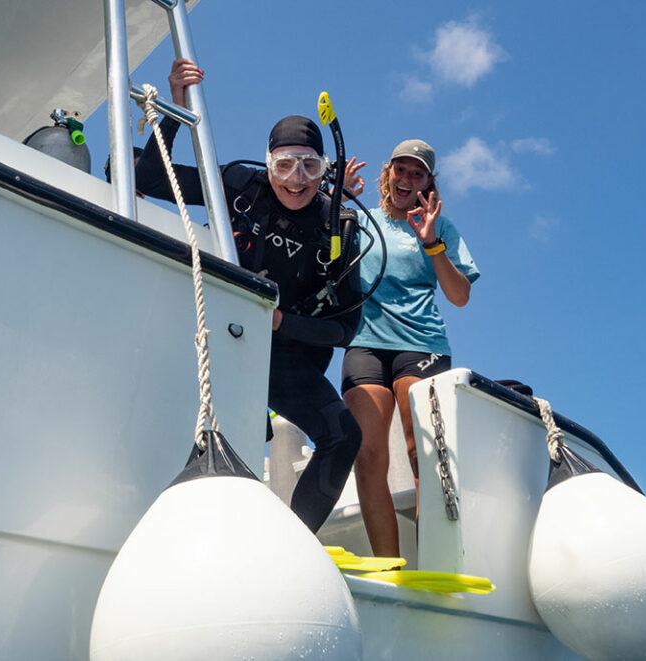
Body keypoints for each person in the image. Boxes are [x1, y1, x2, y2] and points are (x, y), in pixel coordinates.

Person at [135, 59, 362, 533]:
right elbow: (148, 179)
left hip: (286, 356)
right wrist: (175, 110)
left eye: (310, 165)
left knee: (344, 436)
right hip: (223, 335)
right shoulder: (242, 187)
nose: (297, 179)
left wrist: (281, 323)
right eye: (284, 164)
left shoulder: (337, 226)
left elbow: (345, 328)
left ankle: (295, 540)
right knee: (219, 430)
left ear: (325, 170)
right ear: (268, 161)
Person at [341, 139, 479, 557]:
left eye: (417, 173)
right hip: (364, 343)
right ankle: (390, 568)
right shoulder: (358, 218)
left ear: (428, 183)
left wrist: (431, 241)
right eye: (400, 169)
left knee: (425, 456)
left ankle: (434, 562)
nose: (406, 178)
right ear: (388, 173)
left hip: (421, 344)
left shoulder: (442, 228)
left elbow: (459, 296)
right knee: (367, 456)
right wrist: (337, 200)